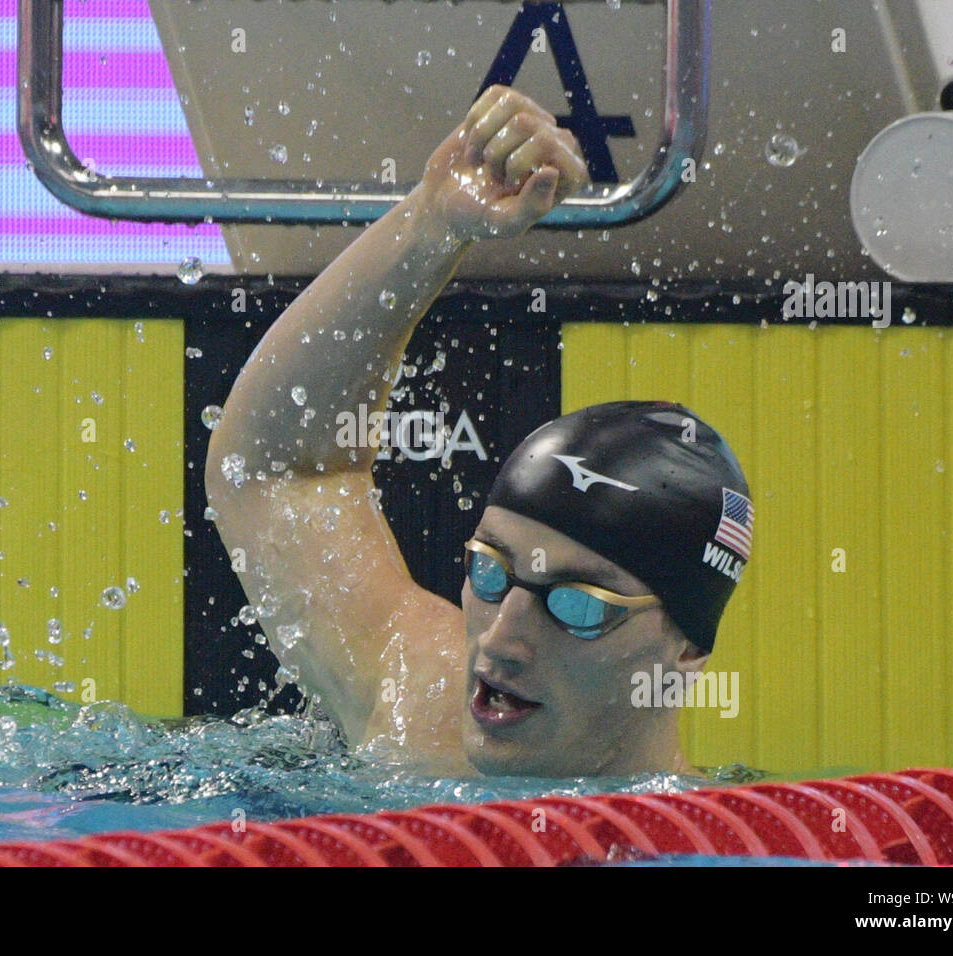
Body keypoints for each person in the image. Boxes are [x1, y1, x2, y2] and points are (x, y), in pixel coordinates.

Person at [205, 85, 752, 778]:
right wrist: (432, 223)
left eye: (578, 606)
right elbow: (279, 471)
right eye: (490, 572)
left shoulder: (713, 841)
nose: (500, 639)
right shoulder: (419, 707)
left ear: (686, 654)